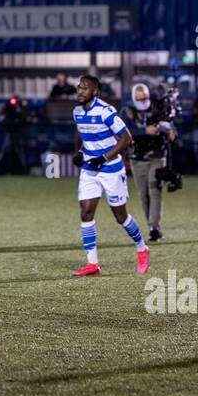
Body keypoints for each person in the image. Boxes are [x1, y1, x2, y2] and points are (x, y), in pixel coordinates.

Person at [70, 75, 149, 276]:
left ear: (95, 91)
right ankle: (92, 264)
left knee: (120, 217)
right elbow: (85, 136)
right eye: (79, 87)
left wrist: (104, 157)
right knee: (86, 212)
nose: (80, 91)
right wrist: (81, 153)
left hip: (111, 169)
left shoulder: (106, 111)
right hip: (89, 169)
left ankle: (142, 248)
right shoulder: (77, 112)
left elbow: (126, 139)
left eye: (85, 88)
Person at [124, 83, 175, 242]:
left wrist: (171, 131)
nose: (142, 100)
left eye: (144, 97)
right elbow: (124, 132)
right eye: (139, 98)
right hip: (138, 157)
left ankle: (155, 226)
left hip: (157, 155)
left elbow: (169, 125)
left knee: (155, 190)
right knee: (144, 195)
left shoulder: (158, 107)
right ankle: (152, 224)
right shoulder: (127, 111)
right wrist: (144, 131)